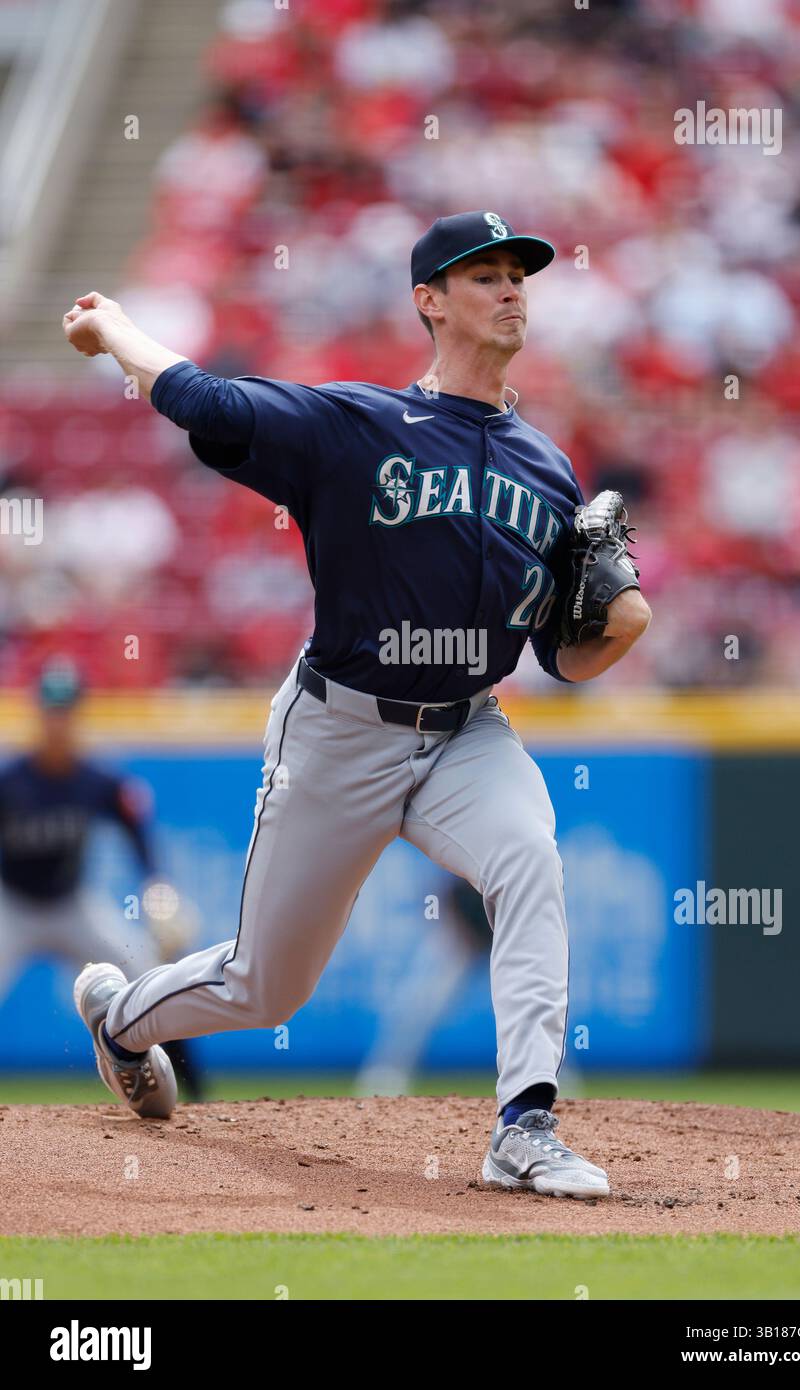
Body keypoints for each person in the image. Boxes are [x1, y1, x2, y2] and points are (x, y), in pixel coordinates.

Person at [62, 210, 651, 1197]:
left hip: (468, 728)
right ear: (428, 300)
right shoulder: (355, 427)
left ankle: (523, 1125)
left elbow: (560, 654)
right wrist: (116, 328)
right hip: (340, 727)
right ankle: (122, 1020)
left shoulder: (546, 470)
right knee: (266, 984)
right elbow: (205, 399)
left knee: (530, 862)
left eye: (519, 276)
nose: (511, 290)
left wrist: (614, 634)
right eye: (484, 276)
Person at [0, 659, 203, 1102]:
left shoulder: (96, 779)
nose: (59, 719)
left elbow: (138, 829)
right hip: (12, 906)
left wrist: (156, 887)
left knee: (150, 976)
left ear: (77, 714)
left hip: (73, 905)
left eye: (66, 709)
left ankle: (199, 1097)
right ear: (39, 714)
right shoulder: (11, 781)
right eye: (52, 709)